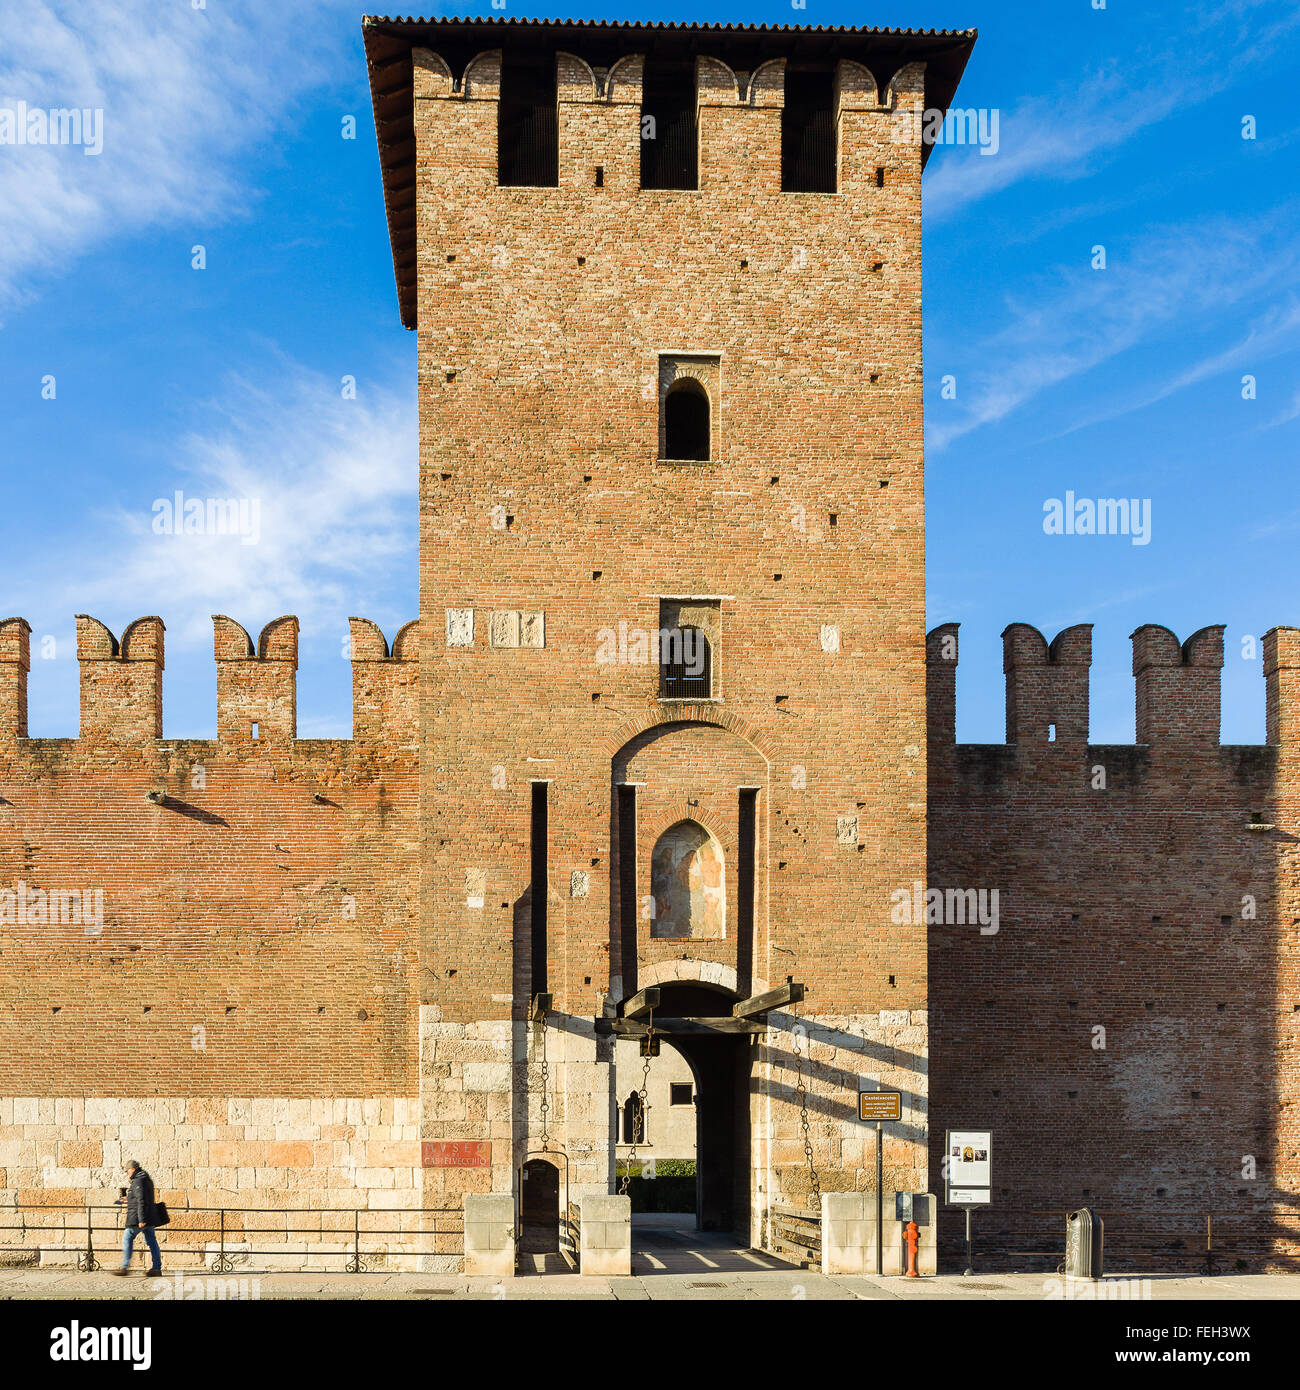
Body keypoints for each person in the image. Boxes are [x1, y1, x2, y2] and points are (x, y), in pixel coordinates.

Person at [112, 1160, 162, 1277]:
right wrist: (128, 1198)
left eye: (127, 1171)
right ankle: (156, 1268)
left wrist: (141, 1220)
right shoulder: (145, 1179)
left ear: (132, 1169)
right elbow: (140, 1197)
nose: (127, 1173)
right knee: (152, 1242)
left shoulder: (138, 1180)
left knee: (127, 1237)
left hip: (138, 1218)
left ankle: (124, 1267)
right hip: (148, 1216)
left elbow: (141, 1201)